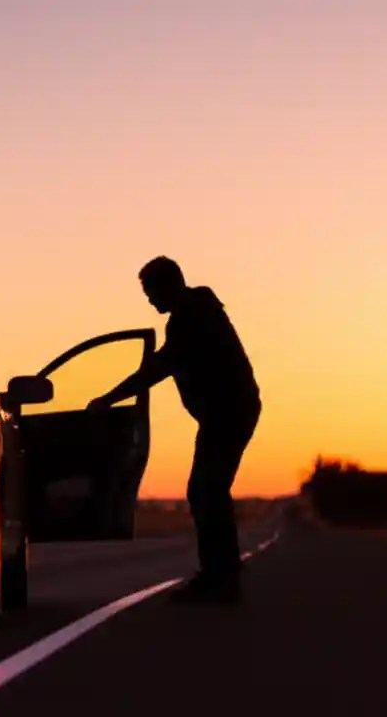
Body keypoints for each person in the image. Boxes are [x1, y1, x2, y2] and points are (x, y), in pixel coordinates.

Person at [88, 256, 261, 604]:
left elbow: (158, 368)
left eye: (151, 292)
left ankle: (221, 580)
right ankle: (220, 575)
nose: (150, 300)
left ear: (169, 286)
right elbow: (164, 364)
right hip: (225, 414)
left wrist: (110, 398)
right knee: (207, 492)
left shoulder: (192, 319)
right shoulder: (196, 312)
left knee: (206, 492)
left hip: (229, 414)